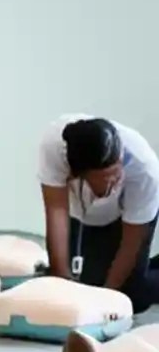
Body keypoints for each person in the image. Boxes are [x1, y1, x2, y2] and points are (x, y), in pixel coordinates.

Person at [38, 114, 159, 313]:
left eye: (116, 172)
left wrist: (103, 303)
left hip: (130, 218)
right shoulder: (54, 147)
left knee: (131, 296)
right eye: (103, 177)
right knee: (85, 283)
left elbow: (130, 244)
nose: (112, 181)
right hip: (87, 213)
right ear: (78, 174)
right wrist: (59, 282)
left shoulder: (145, 171)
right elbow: (56, 210)